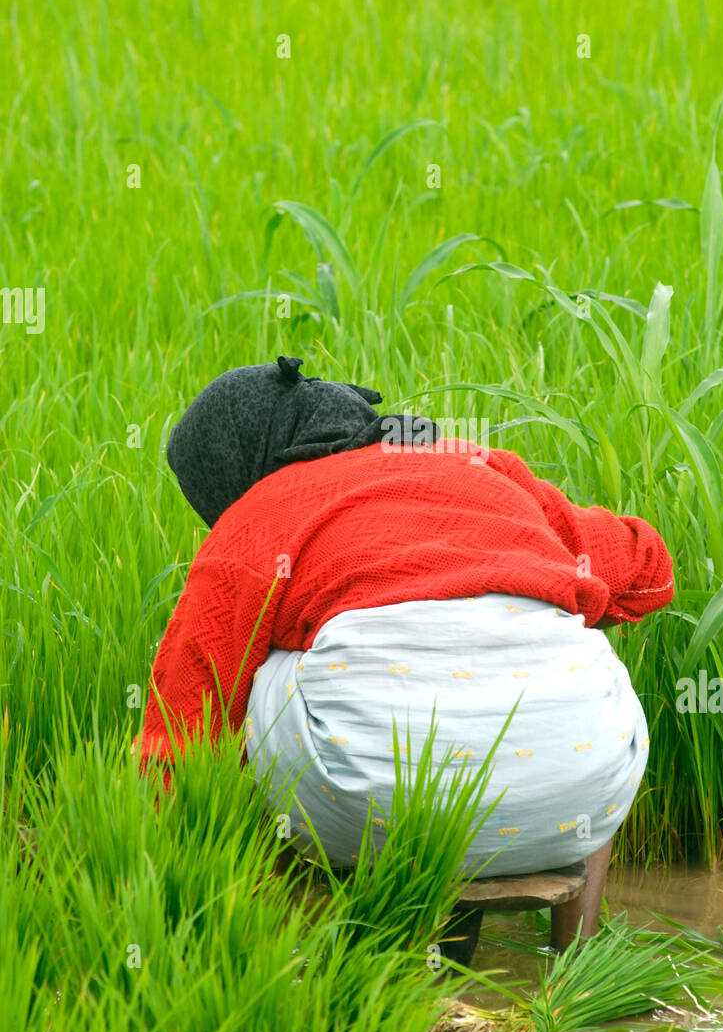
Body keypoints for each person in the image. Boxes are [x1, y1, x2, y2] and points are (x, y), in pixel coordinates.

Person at [137, 356, 674, 939]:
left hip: (364, 803)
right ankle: (577, 966)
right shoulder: (480, 466)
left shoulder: (261, 514)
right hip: (580, 792)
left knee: (262, 662)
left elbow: (183, 730)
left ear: (241, 469)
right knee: (581, 645)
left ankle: (294, 943)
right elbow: (650, 571)